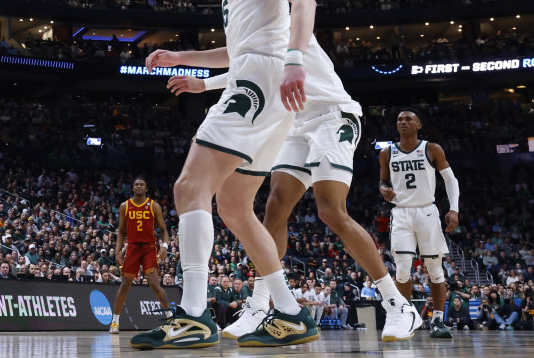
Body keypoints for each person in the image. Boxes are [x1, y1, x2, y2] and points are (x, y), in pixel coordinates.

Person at [131, 0, 319, 350]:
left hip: (261, 80)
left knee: (189, 188)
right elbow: (242, 49)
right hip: (263, 82)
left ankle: (194, 314)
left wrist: (296, 60)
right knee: (235, 208)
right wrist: (190, 65)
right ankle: (292, 313)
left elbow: (304, 0)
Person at [171, 33, 422, 342]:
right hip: (296, 123)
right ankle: (259, 306)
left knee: (330, 211)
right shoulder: (259, 30)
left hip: (333, 116)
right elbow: (245, 58)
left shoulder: (285, 23)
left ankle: (398, 303)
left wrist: (203, 79)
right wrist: (202, 82)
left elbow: (242, 56)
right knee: (274, 208)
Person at [379, 109, 460, 339]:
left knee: (435, 270)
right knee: (402, 269)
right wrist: (384, 190)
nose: (403, 122)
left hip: (427, 212)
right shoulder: (387, 152)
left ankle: (437, 320)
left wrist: (453, 208)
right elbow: (382, 182)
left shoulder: (431, 148)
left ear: (418, 125)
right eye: (399, 120)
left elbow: (450, 179)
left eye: (408, 119)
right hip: (401, 213)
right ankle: (406, 317)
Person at [110, 177, 170, 333]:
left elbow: (163, 230)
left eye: (141, 184)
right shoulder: (125, 206)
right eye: (136, 184)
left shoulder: (153, 206)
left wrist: (164, 246)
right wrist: (118, 250)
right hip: (133, 248)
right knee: (124, 285)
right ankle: (115, 321)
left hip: (150, 248)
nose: (138, 186)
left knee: (155, 285)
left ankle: (170, 317)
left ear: (146, 188)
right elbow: (122, 231)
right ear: (132, 188)